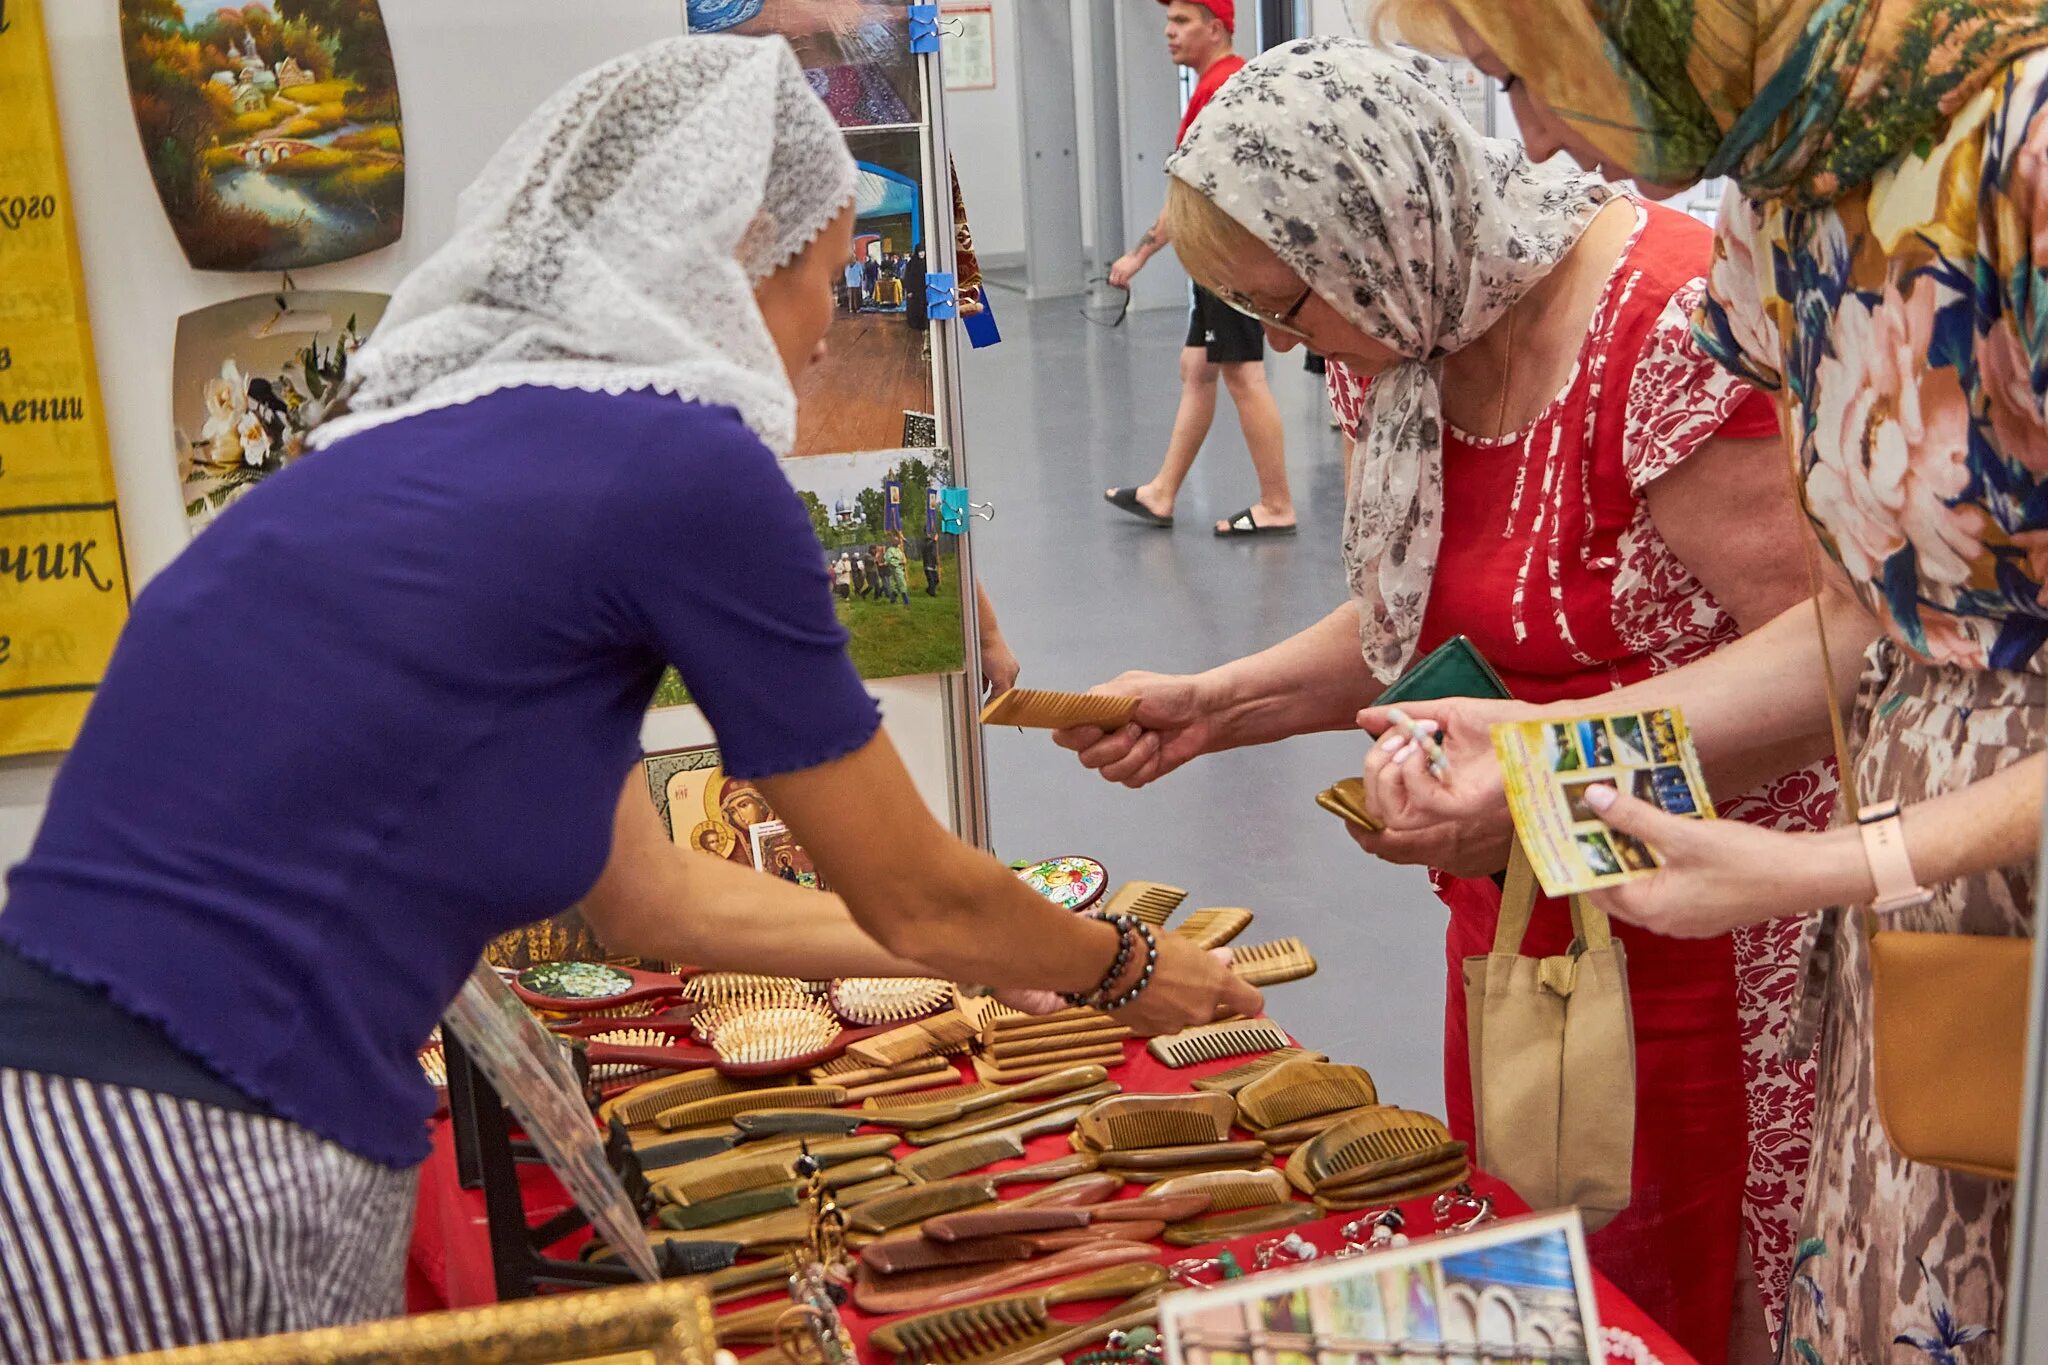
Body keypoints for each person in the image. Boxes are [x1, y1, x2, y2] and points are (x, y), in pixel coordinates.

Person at [0, 39, 1260, 1361]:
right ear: (740, 247)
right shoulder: (683, 466)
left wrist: (1001, 967)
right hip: (195, 1161)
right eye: (830, 276)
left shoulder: (418, 445)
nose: (833, 327)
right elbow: (919, 890)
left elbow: (656, 902)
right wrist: (1121, 964)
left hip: (68, 1104)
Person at [1053, 40, 1824, 1364]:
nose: (1295, 347)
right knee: (1549, 1275)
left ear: (1378, 225)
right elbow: (1433, 614)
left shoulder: (1669, 331)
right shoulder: (1404, 334)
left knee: (1700, 1293)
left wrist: (1543, 770)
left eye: (1292, 306)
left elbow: (1830, 660)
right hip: (1525, 925)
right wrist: (1216, 702)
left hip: (1719, 932)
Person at [1371, 1, 2048, 1356]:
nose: (1538, 136)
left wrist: (1832, 867)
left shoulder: (2018, 153)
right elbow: (1878, 629)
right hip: (1925, 931)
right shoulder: (1791, 196)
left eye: (1533, 78)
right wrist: (1552, 750)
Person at [1100, 0, 1296, 538]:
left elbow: (1195, 191)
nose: (1169, 32)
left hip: (1229, 259)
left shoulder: (1222, 89)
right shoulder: (1217, 84)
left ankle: (1277, 504)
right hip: (1216, 259)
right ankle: (1162, 493)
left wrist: (1140, 254)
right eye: (1168, 21)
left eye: (1181, 22)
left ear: (1216, 29)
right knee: (1197, 369)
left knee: (1243, 375)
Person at [884, 532, 912, 607]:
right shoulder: (890, 550)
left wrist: (904, 561)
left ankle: (892, 599)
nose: (897, 542)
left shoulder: (899, 550)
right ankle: (906, 601)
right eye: (895, 541)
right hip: (895, 569)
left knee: (896, 586)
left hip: (901, 568)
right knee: (902, 583)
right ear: (892, 542)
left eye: (898, 541)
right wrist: (899, 562)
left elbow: (906, 549)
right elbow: (889, 560)